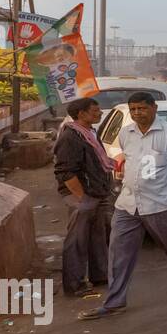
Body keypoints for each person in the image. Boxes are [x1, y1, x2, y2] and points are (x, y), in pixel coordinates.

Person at [79, 92, 167, 320]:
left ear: (154, 108)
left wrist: (164, 187)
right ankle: (115, 301)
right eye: (133, 109)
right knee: (118, 252)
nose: (137, 113)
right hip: (128, 203)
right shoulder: (127, 133)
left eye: (141, 109)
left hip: (161, 203)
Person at [53, 97, 112, 299]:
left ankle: (100, 275)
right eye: (95, 111)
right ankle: (74, 283)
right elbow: (65, 171)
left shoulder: (89, 133)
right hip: (81, 195)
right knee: (77, 241)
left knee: (98, 237)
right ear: (82, 114)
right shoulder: (71, 137)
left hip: (96, 193)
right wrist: (82, 198)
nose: (100, 114)